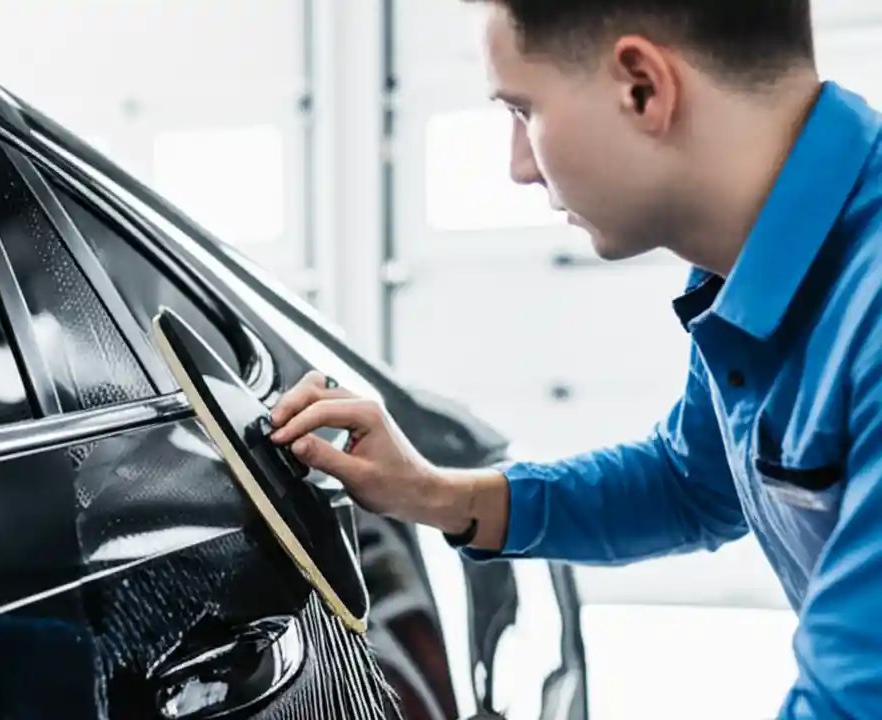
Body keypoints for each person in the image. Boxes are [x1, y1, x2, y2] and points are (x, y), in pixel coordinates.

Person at [268, 0, 882, 717]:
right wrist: (433, 493)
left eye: (523, 110)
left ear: (642, 88)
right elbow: (689, 484)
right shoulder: (745, 266)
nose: (518, 167)